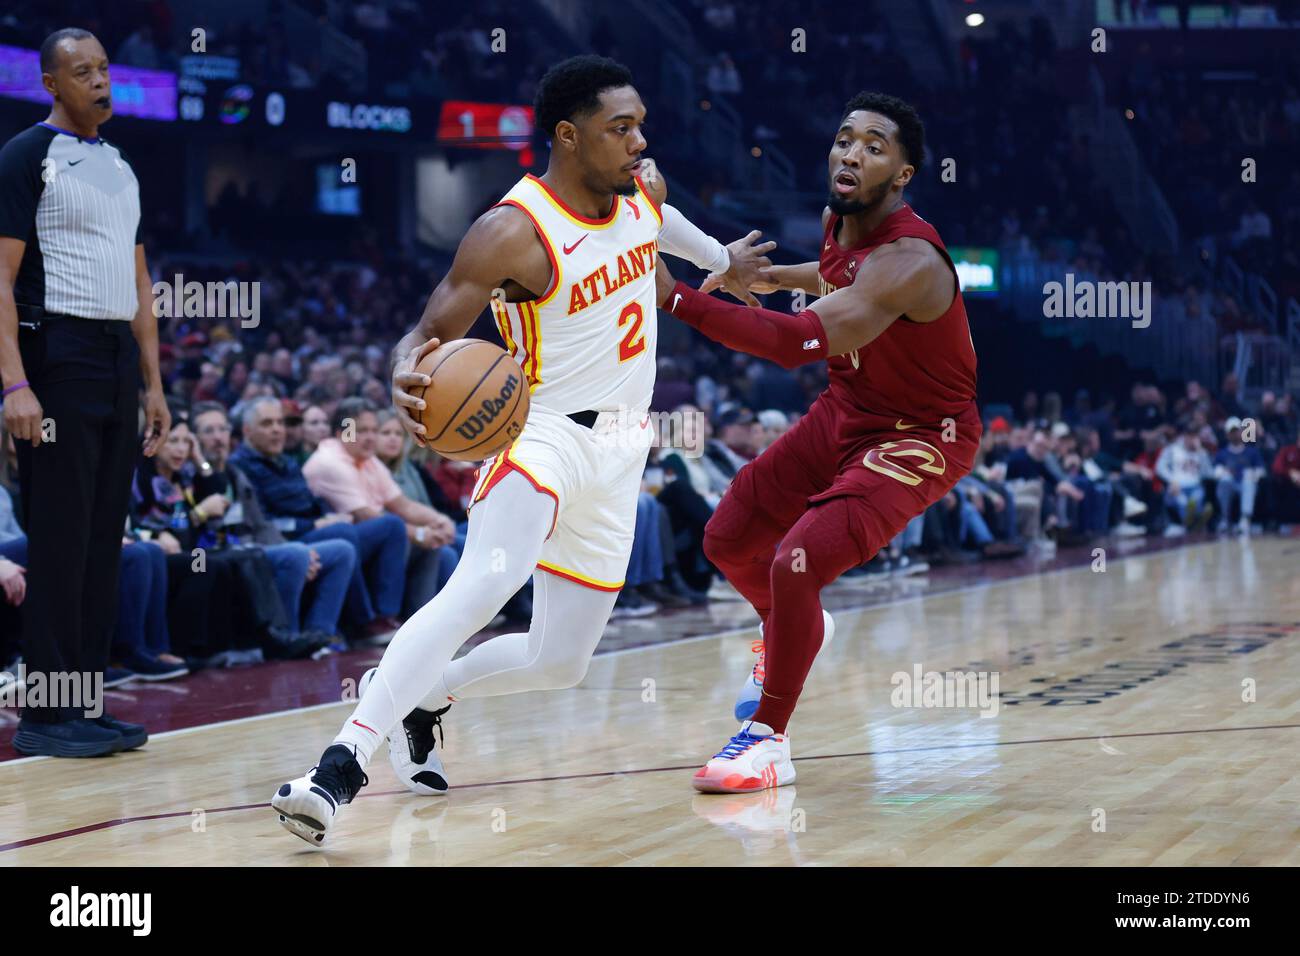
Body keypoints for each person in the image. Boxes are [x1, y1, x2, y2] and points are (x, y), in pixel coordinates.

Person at [272, 54, 773, 845]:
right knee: (485, 585)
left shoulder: (639, 187)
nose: (640, 141)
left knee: (561, 659)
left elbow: (661, 223)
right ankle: (338, 768)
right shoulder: (514, 231)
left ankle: (425, 695)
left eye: (641, 123)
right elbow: (429, 330)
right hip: (538, 432)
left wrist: (719, 262)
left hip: (621, 444)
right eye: (621, 128)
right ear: (569, 137)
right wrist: (408, 364)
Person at [656, 91, 982, 792]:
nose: (851, 152)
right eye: (844, 138)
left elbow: (796, 343)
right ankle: (792, 632)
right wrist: (766, 276)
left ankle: (768, 739)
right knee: (728, 536)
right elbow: (832, 273)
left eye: (874, 146)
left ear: (903, 175)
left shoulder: (911, 261)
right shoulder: (840, 222)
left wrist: (677, 297)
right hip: (847, 411)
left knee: (797, 560)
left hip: (920, 436)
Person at [0, 28, 169, 757]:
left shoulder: (123, 167)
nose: (99, 82)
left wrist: (155, 384)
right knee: (62, 542)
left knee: (104, 541)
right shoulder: (25, 156)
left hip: (114, 359)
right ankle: (43, 718)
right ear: (50, 83)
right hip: (55, 353)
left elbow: (140, 286)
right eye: (82, 72)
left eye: (104, 69)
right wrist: (14, 383)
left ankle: (82, 706)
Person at [303, 398, 458, 622]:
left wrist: (439, 521)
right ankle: (383, 618)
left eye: (374, 430)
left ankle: (421, 620)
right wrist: (420, 533)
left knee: (433, 544)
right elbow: (365, 515)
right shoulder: (329, 462)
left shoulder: (367, 460)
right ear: (343, 431)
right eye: (362, 430)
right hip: (339, 535)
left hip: (370, 537)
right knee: (392, 526)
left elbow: (403, 504)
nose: (370, 437)